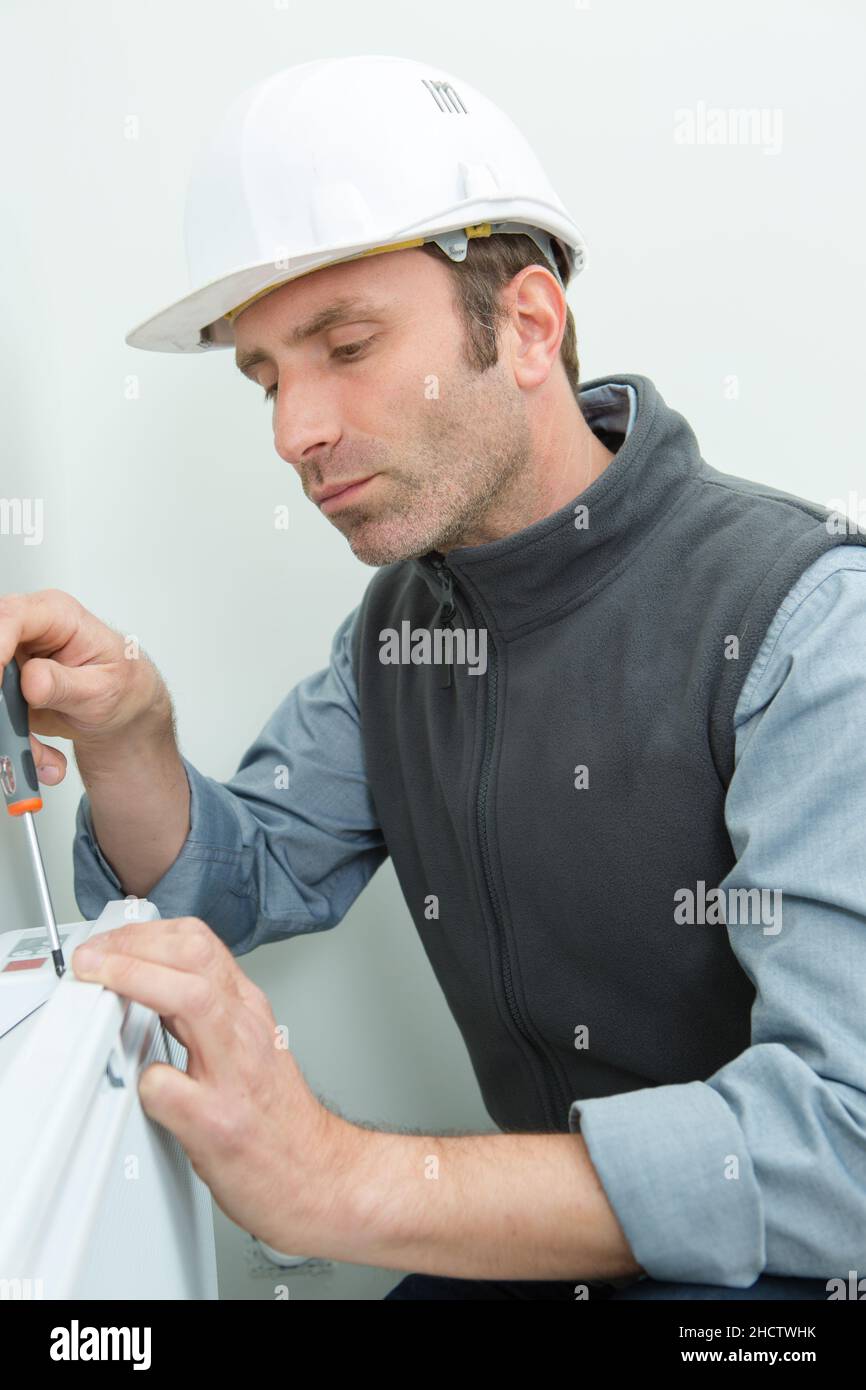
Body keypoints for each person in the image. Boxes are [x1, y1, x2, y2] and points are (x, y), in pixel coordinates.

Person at [2, 55, 864, 1301]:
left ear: (524, 326)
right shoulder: (403, 627)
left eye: (343, 346)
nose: (294, 430)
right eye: (264, 378)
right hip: (542, 1263)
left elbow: (841, 1144)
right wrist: (130, 735)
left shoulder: (805, 621)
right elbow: (237, 882)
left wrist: (344, 1180)